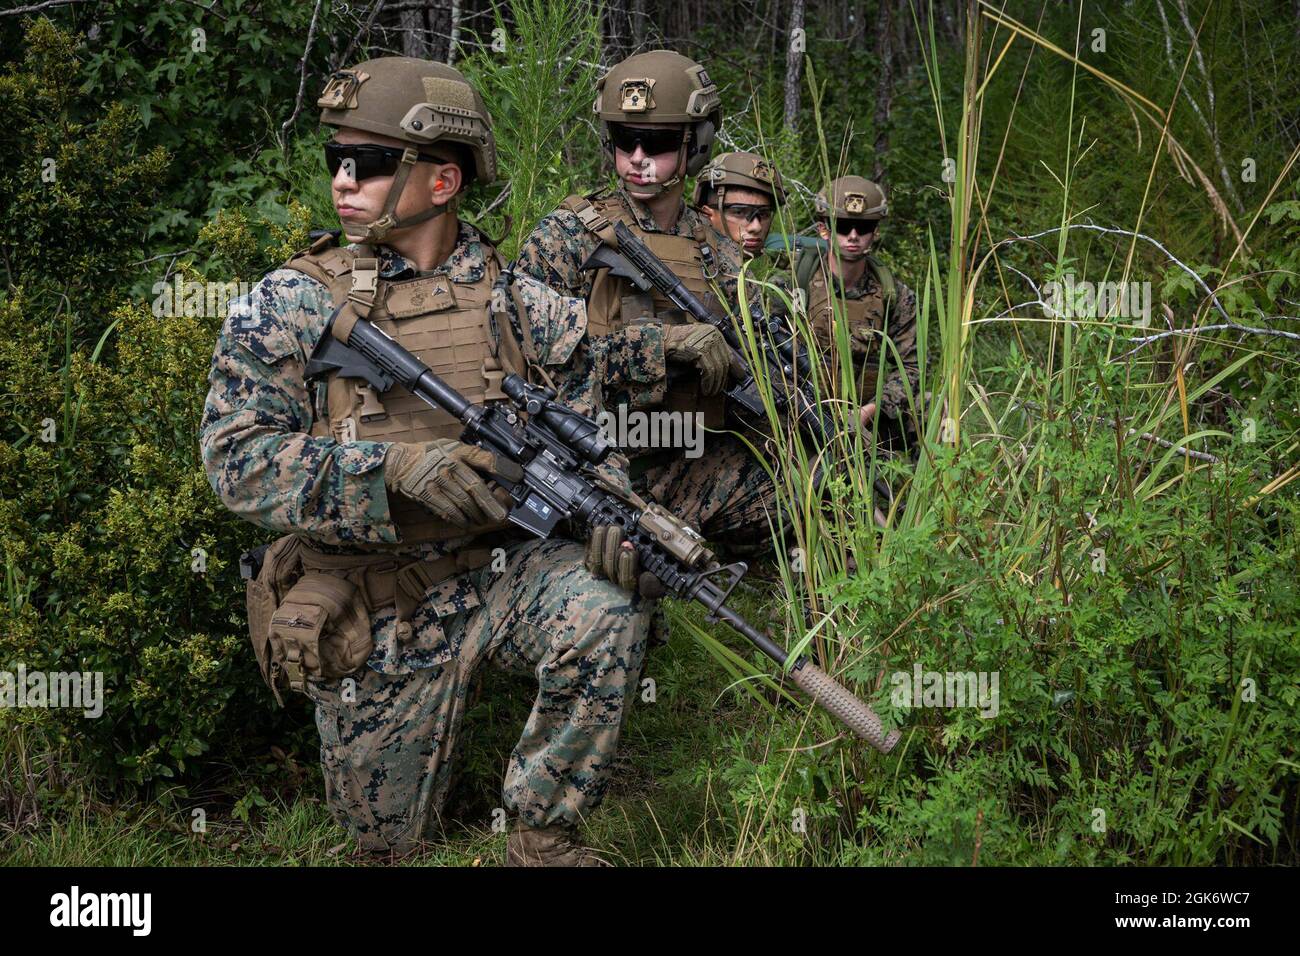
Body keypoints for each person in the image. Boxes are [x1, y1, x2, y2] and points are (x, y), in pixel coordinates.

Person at [200, 57, 647, 866]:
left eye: (368, 163)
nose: (343, 180)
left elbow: (595, 436)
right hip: (374, 607)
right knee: (387, 848)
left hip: (497, 576)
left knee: (603, 602)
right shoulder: (291, 303)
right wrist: (389, 471)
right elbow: (235, 462)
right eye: (336, 159)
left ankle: (541, 832)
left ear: (443, 183)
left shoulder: (522, 302)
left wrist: (616, 521)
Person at [513, 50, 779, 551]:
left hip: (689, 457)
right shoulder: (570, 235)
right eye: (622, 140)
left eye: (655, 143)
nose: (636, 157)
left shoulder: (717, 250)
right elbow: (526, 374)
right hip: (598, 467)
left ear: (694, 145)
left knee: (805, 486)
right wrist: (662, 346)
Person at [795, 175, 920, 448]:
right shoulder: (795, 285)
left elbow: (912, 368)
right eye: (843, 226)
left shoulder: (894, 296)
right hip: (801, 410)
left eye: (863, 227)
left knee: (932, 408)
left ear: (875, 232)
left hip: (867, 414)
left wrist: (868, 411)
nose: (853, 236)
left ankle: (922, 485)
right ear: (823, 229)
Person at [691, 151, 784, 260]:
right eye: (739, 212)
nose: (756, 227)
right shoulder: (690, 261)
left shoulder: (777, 264)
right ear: (707, 215)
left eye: (763, 214)